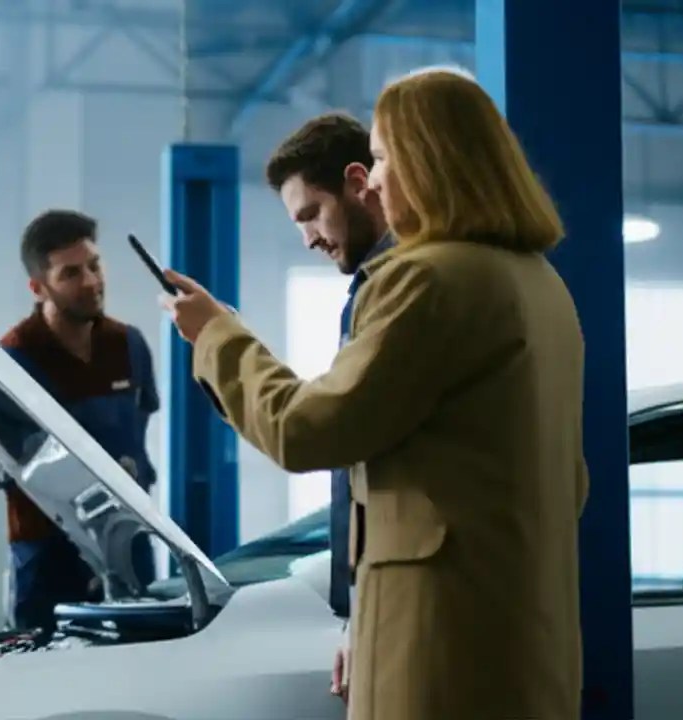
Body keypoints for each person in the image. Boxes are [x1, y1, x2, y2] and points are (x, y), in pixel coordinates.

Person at [159, 66, 587, 720]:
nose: (376, 178)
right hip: (521, 635)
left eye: (383, 157)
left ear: (427, 158)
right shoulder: (540, 286)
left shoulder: (427, 279)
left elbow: (309, 430)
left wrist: (219, 337)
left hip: (442, 641)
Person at [262, 111, 393, 696]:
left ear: (359, 180)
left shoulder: (413, 289)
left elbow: (319, 432)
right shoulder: (369, 291)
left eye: (311, 214)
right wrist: (357, 616)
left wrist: (218, 338)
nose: (309, 237)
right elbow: (368, 479)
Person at [0, 209, 161, 634]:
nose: (91, 281)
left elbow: (138, 434)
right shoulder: (12, 359)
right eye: (71, 273)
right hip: (48, 551)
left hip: (129, 538)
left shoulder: (128, 345)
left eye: (94, 265)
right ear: (38, 287)